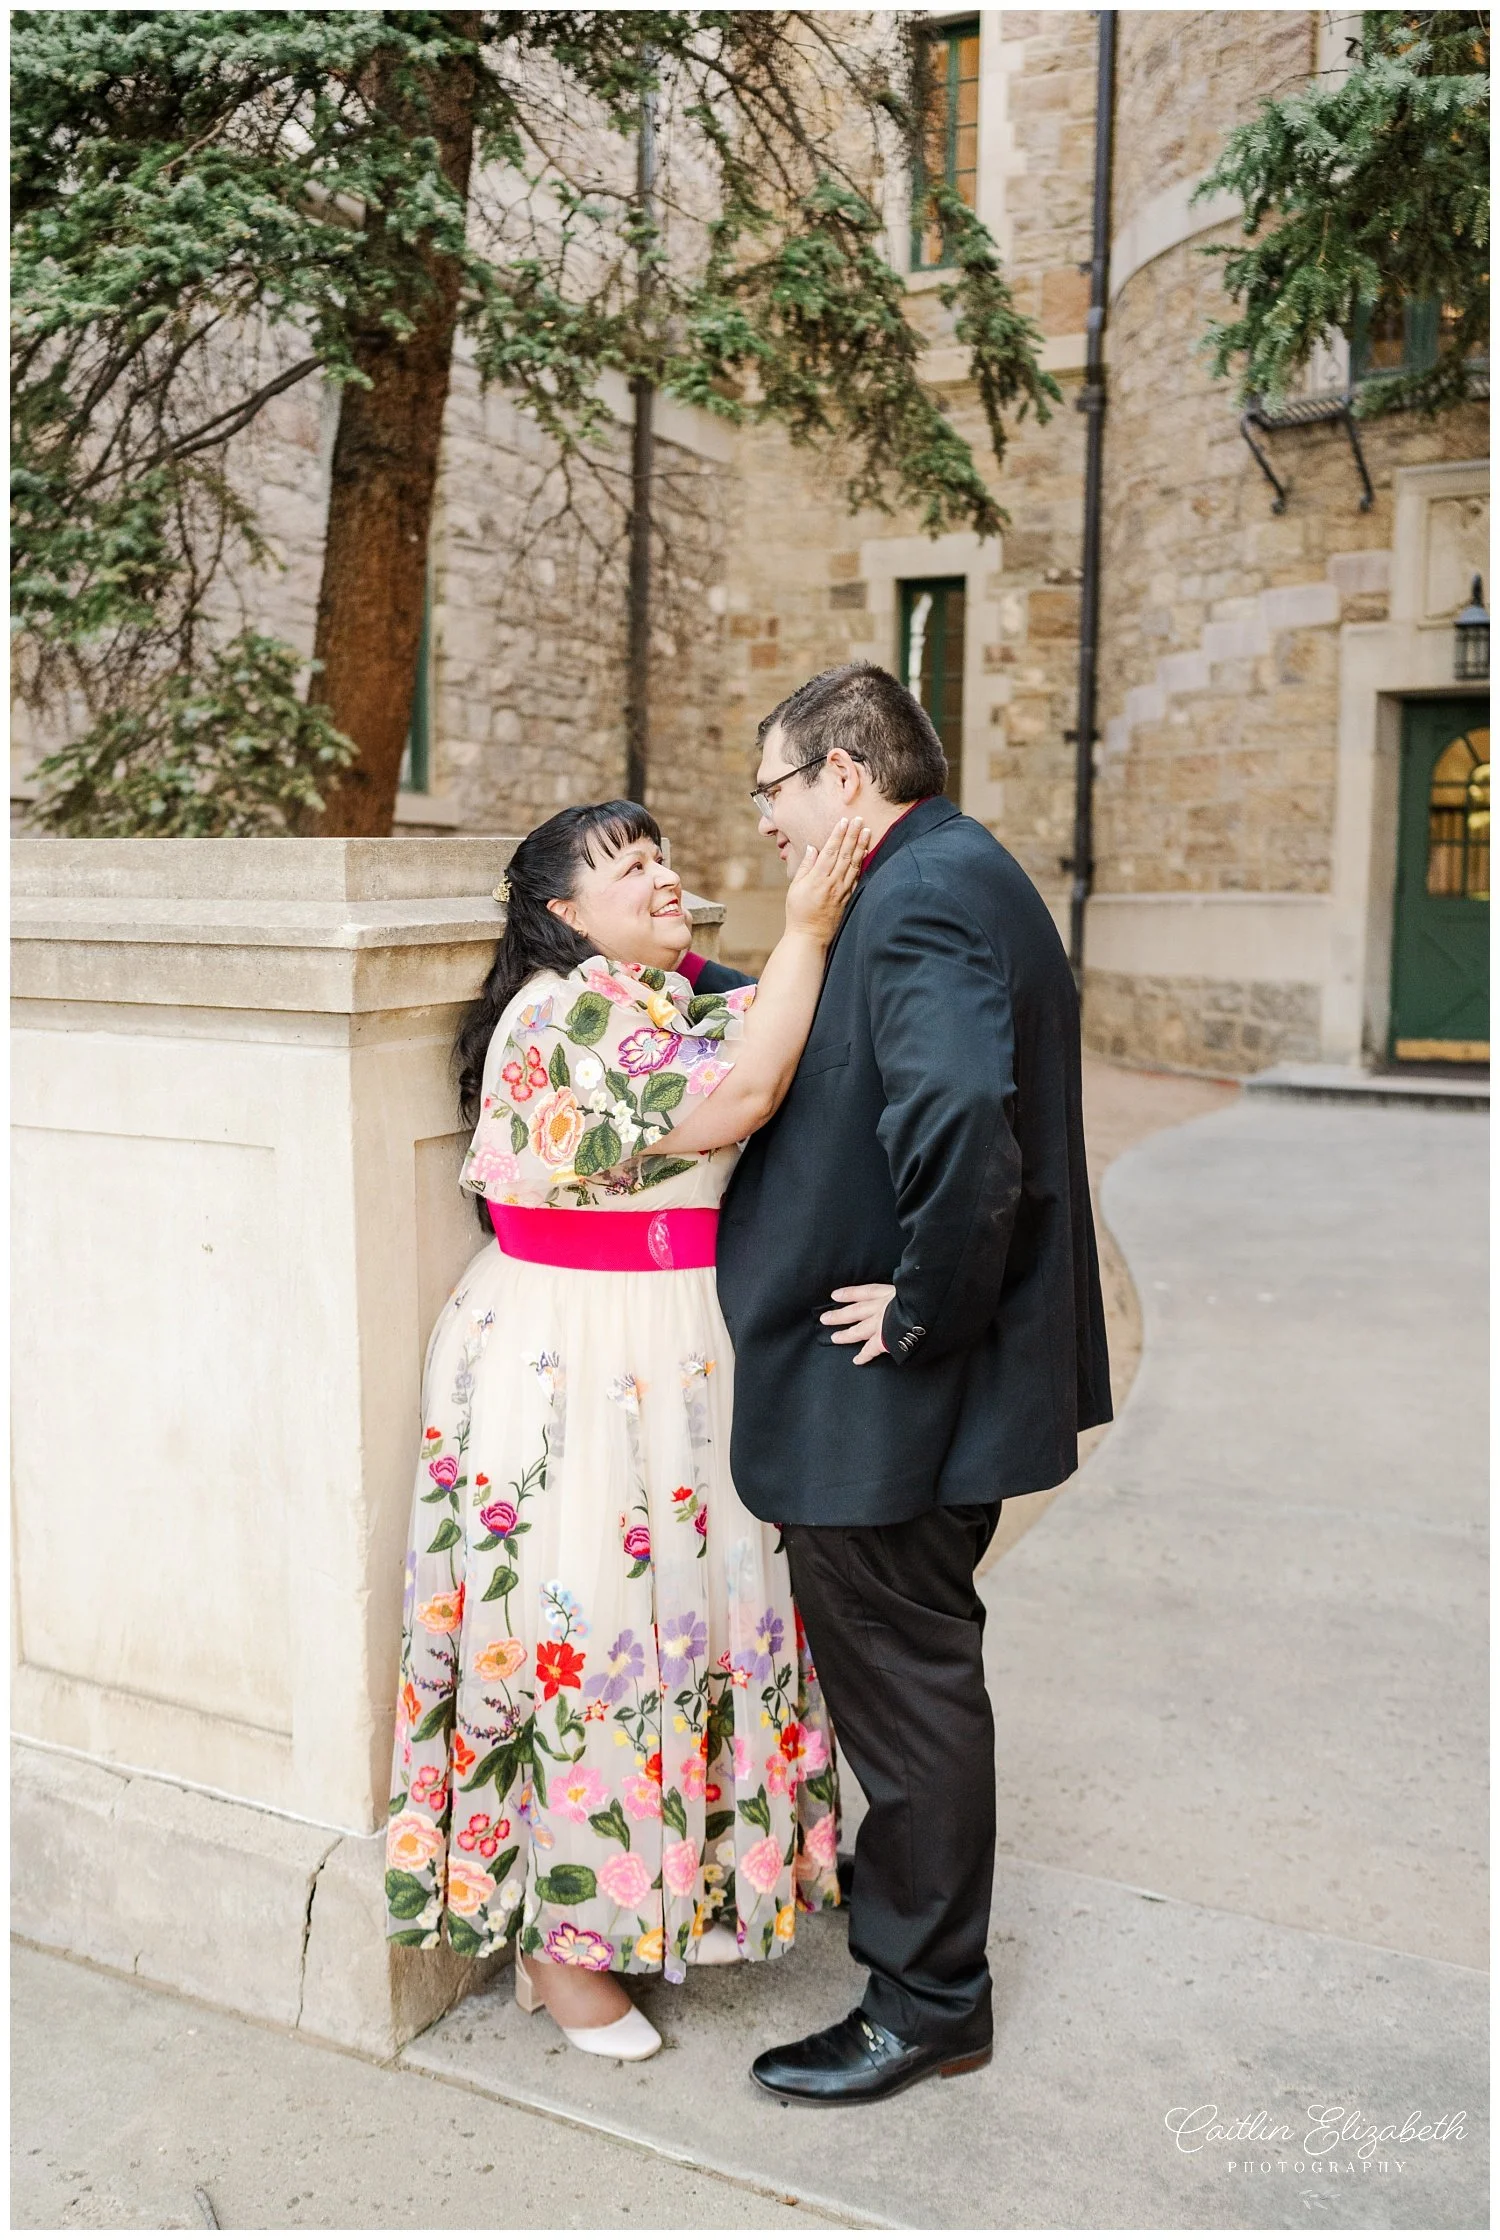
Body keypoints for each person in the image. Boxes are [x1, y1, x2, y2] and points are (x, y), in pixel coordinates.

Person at [385, 799, 869, 2061]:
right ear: (559, 911)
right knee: (585, 1618)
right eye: (625, 865)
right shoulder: (569, 1010)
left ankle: (646, 1901)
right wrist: (810, 919)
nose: (661, 874)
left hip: (664, 1342)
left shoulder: (654, 997)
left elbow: (756, 1032)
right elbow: (750, 1086)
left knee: (684, 1624)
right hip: (580, 1353)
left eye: (661, 852)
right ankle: (557, 1935)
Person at [715, 662, 1113, 2106]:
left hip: (893, 1389)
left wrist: (927, 1312)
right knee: (916, 1675)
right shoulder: (947, 873)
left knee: (912, 1693)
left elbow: (960, 1116)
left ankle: (928, 1999)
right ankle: (924, 1965)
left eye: (769, 788)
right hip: (907, 1388)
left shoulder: (927, 888)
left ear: (840, 773)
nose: (761, 819)